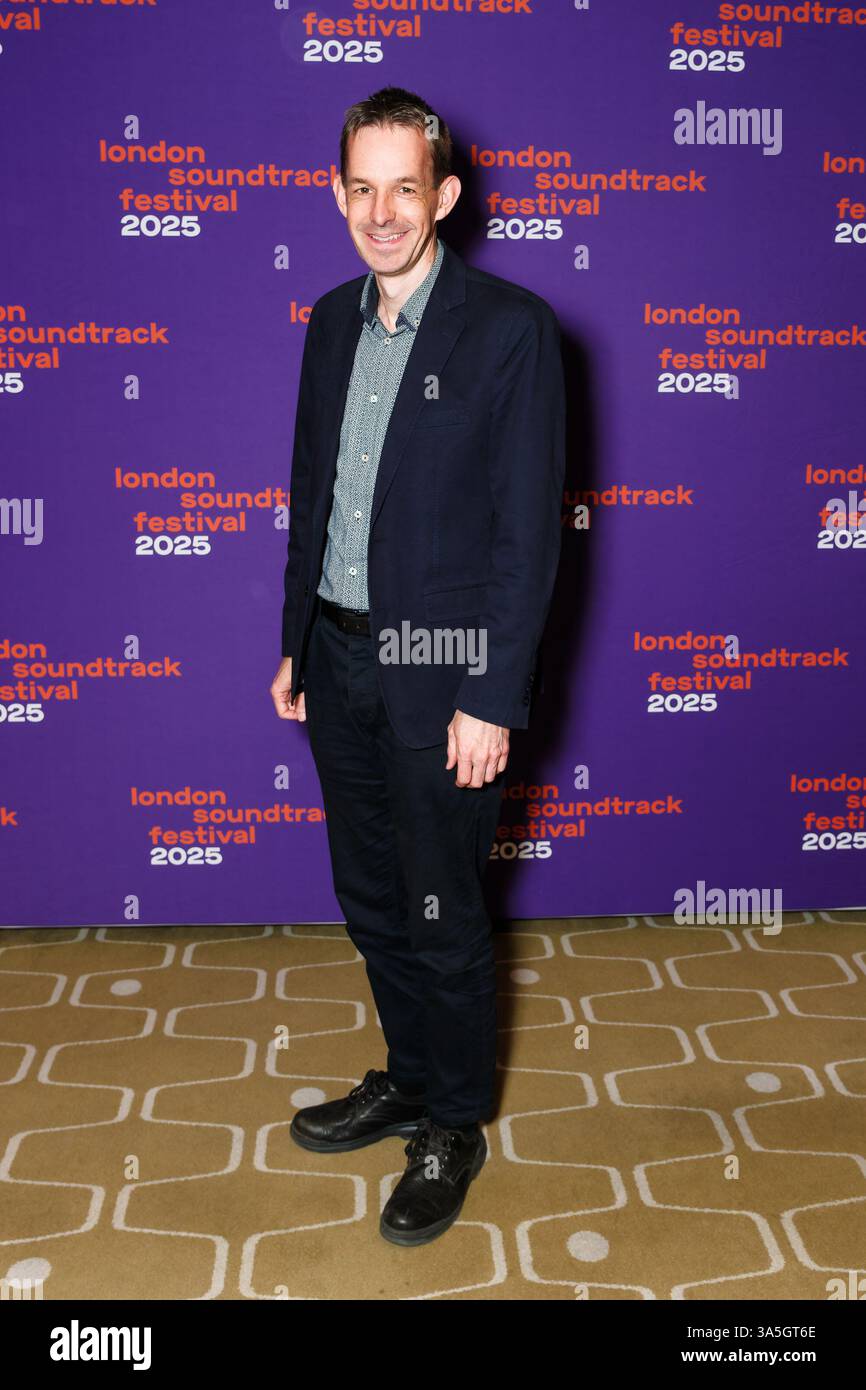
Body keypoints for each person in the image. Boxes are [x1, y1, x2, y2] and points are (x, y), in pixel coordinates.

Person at [270, 86, 566, 1247]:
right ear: (337, 193)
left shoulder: (509, 330)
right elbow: (312, 498)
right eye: (362, 187)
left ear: (443, 194)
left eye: (406, 186)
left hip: (440, 673)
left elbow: (523, 536)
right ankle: (404, 1074)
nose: (382, 211)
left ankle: (453, 1121)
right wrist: (294, 639)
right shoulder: (329, 322)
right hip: (337, 658)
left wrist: (488, 695)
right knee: (371, 897)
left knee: (441, 910)